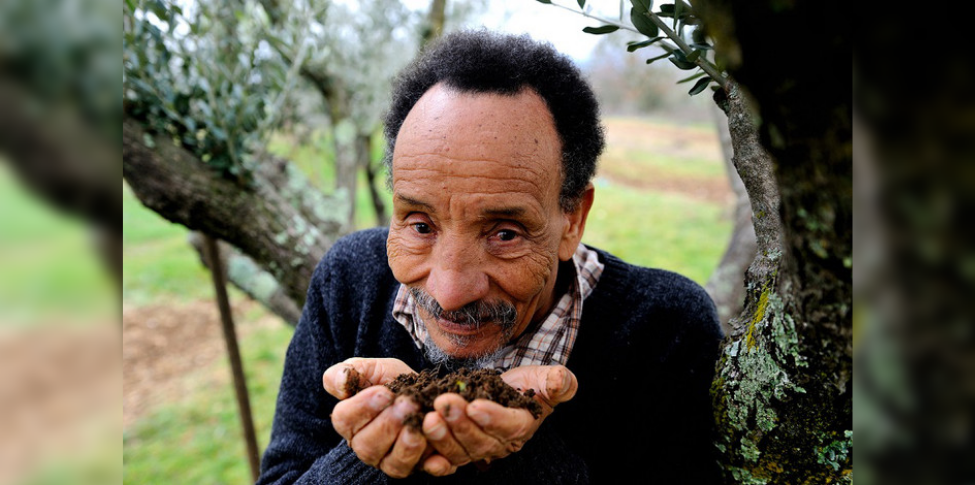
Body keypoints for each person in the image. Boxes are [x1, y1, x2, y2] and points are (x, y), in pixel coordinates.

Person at [256, 29, 724, 484]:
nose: (451, 291)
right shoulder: (350, 281)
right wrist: (378, 452)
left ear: (572, 221)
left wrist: (519, 456)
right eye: (421, 226)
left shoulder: (665, 327)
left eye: (504, 233)